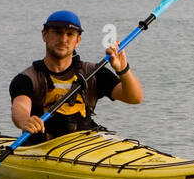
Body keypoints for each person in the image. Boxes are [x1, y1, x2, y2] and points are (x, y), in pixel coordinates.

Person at [9, 10, 143, 141]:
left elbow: (134, 98)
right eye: (57, 33)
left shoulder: (93, 73)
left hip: (84, 145)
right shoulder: (27, 78)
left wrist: (123, 69)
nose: (63, 39)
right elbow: (20, 107)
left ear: (78, 40)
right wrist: (25, 121)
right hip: (40, 147)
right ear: (45, 35)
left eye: (70, 34)